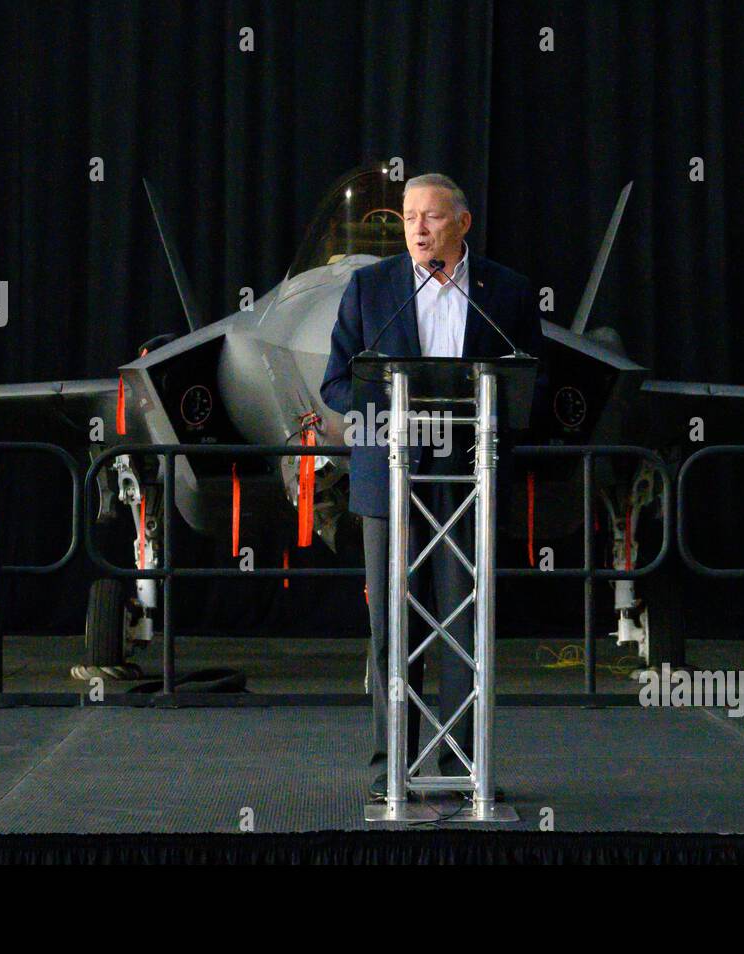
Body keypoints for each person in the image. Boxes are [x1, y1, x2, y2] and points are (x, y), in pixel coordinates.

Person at [319, 172, 547, 799]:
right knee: (395, 630)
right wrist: (388, 409)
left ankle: (461, 768)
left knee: (464, 625)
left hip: (467, 478)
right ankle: (391, 769)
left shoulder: (506, 291)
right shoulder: (371, 289)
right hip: (391, 482)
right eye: (409, 217)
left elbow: (532, 384)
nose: (417, 229)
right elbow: (335, 385)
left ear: (462, 224)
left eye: (431, 217)